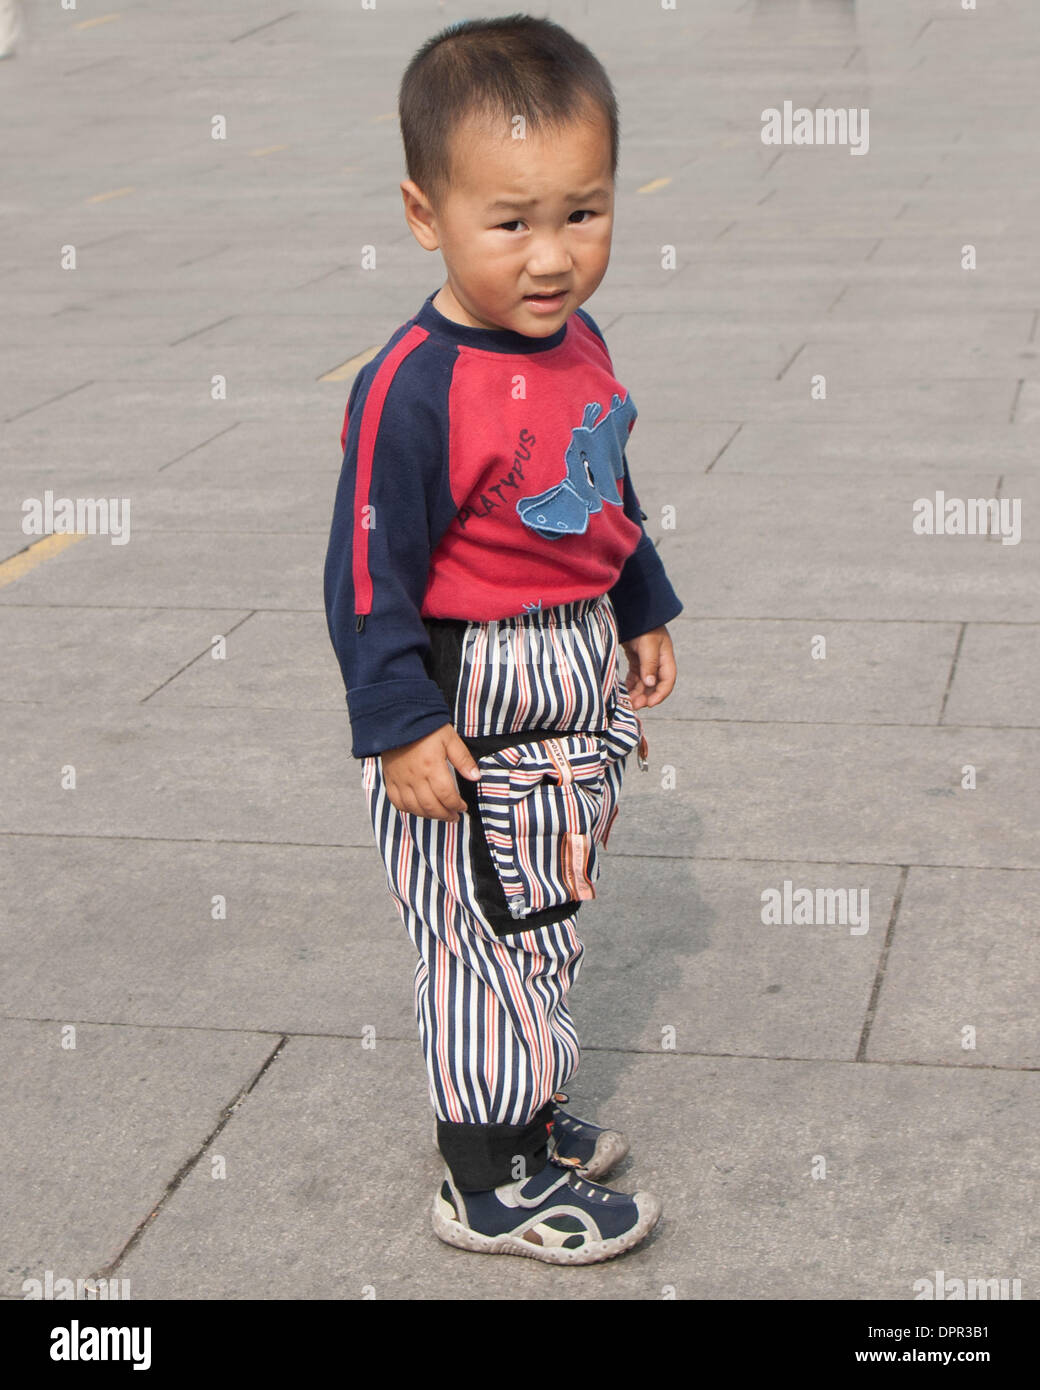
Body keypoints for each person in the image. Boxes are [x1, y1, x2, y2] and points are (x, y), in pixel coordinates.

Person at [323, 13, 682, 1265]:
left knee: (542, 906)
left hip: (569, 664)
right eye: (510, 221)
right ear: (426, 214)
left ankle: (524, 1114)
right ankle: (486, 1179)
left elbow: (600, 484)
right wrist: (402, 723)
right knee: (477, 930)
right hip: (466, 692)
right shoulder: (414, 383)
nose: (551, 257)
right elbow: (369, 570)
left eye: (581, 214)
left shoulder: (575, 343)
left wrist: (638, 603)